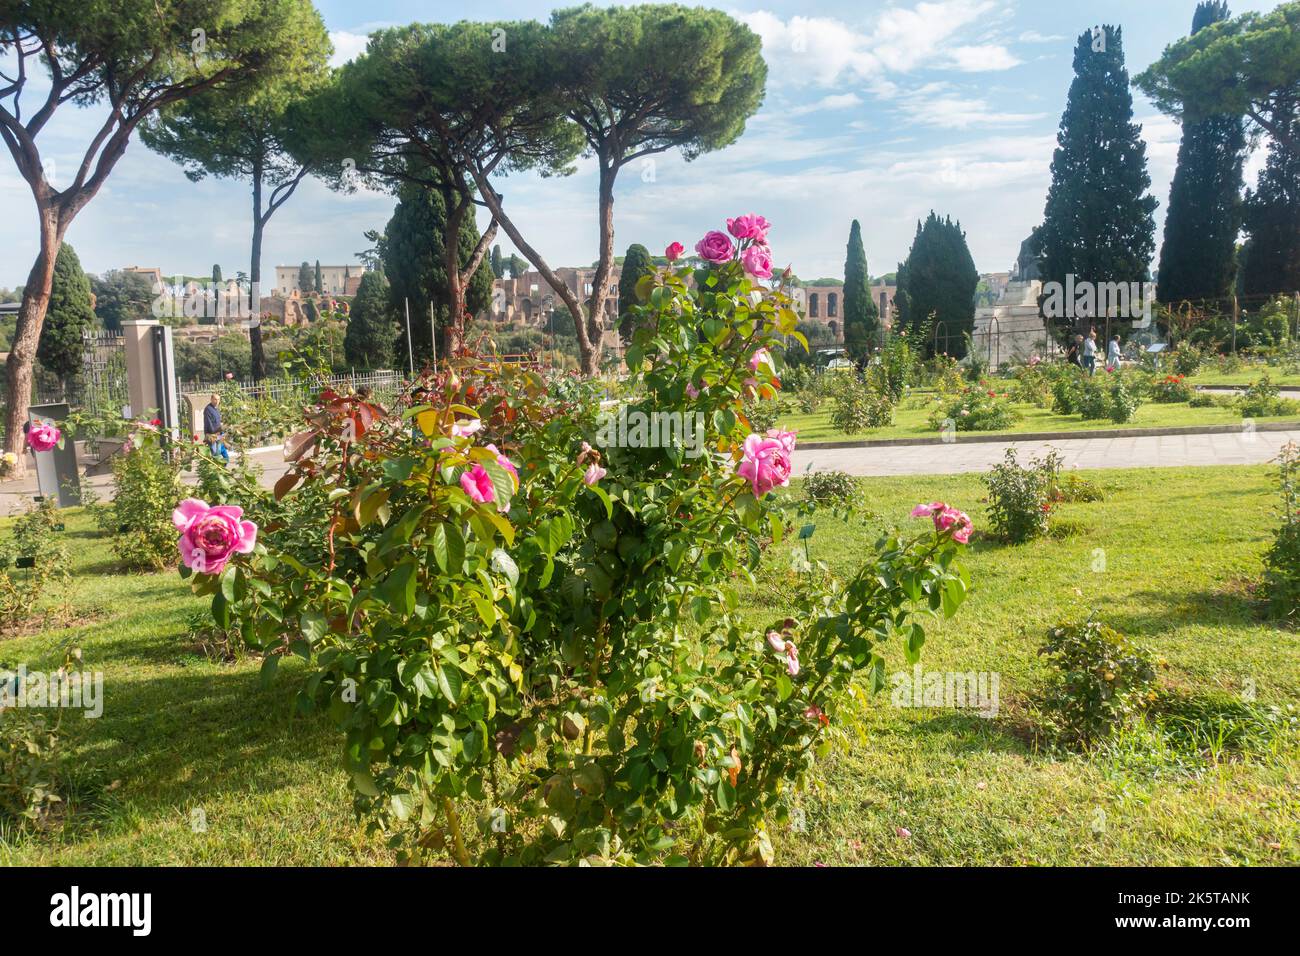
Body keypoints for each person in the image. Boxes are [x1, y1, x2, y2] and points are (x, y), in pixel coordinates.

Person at [203, 393, 230, 464]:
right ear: (211, 399)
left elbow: (217, 422)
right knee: (215, 453)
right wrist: (215, 433)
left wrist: (221, 431)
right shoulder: (208, 409)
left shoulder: (216, 409)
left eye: (218, 399)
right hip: (212, 435)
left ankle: (222, 466)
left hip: (218, 434)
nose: (217, 401)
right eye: (215, 399)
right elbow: (209, 423)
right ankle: (216, 468)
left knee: (222, 451)